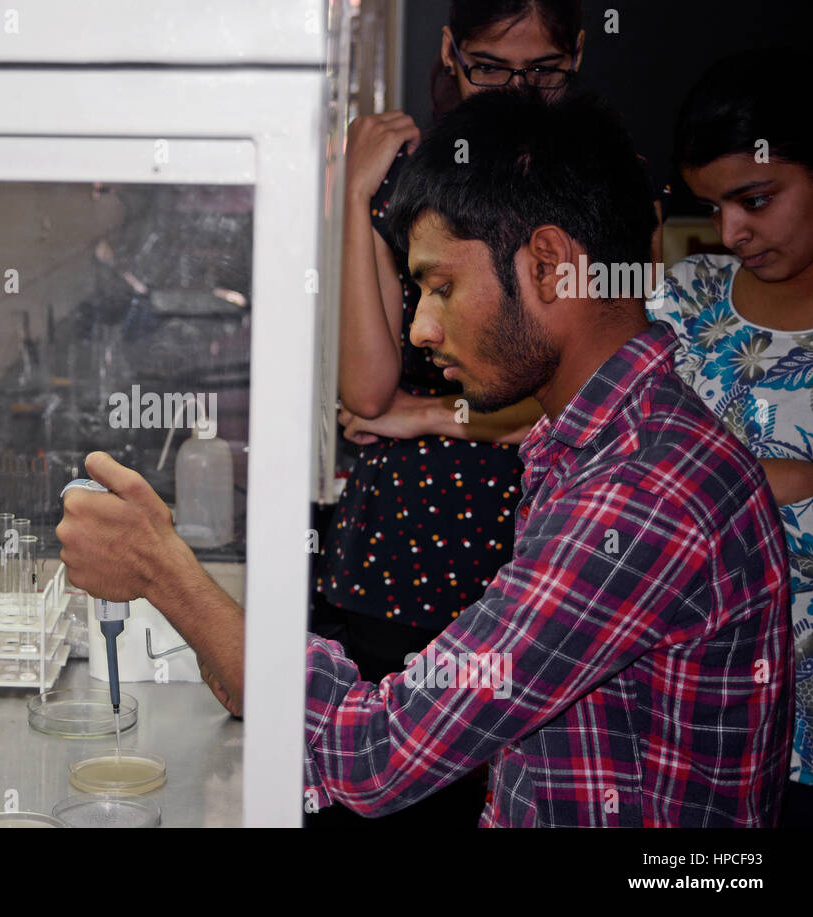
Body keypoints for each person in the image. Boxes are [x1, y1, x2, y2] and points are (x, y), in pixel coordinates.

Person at [57, 89, 793, 827]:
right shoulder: (600, 445)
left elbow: (375, 751)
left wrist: (161, 569)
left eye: (441, 286)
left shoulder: (638, 491)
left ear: (547, 266)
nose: (422, 328)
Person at [321, 0, 586, 827]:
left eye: (541, 72)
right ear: (447, 53)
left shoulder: (593, 188)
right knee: (386, 785)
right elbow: (366, 394)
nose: (513, 91)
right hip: (397, 553)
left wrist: (428, 414)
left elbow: (575, 393)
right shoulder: (405, 173)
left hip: (531, 544)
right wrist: (350, 193)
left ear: (578, 57)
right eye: (488, 67)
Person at [648, 49, 813, 827]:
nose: (733, 231)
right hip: (699, 718)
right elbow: (624, 453)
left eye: (754, 199)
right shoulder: (685, 298)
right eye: (714, 208)